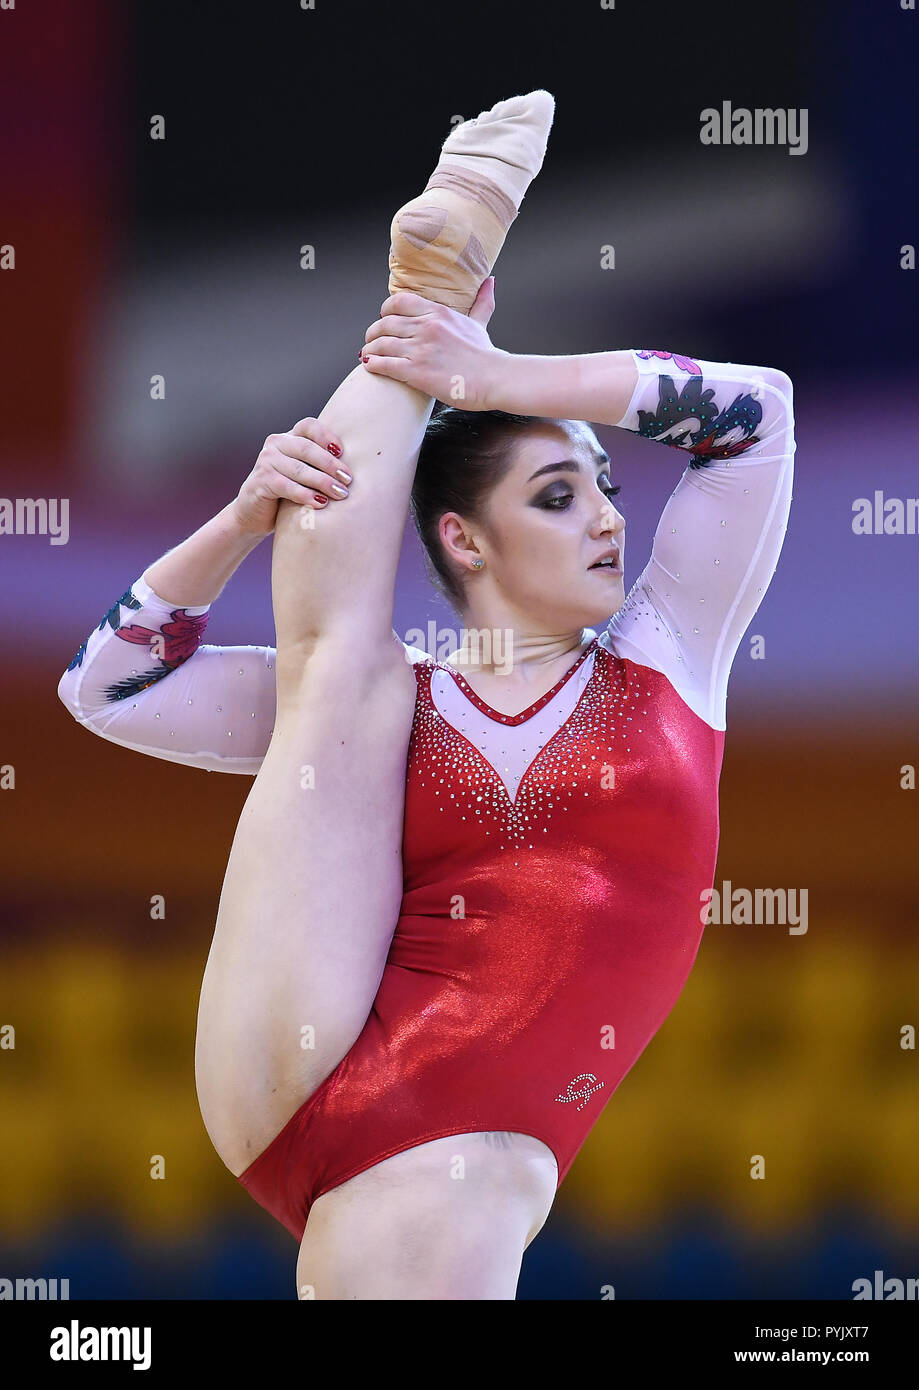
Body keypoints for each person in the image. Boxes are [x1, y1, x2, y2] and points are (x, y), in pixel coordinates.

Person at [58, 90, 796, 1299]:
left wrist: (496, 368)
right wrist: (240, 521)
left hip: (450, 1142)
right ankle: (422, 287)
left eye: (603, 486)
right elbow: (109, 687)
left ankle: (430, 303)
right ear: (460, 538)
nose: (610, 518)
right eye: (557, 497)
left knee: (343, 677)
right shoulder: (392, 703)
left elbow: (756, 419)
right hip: (312, 1047)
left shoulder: (672, 658)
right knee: (340, 675)